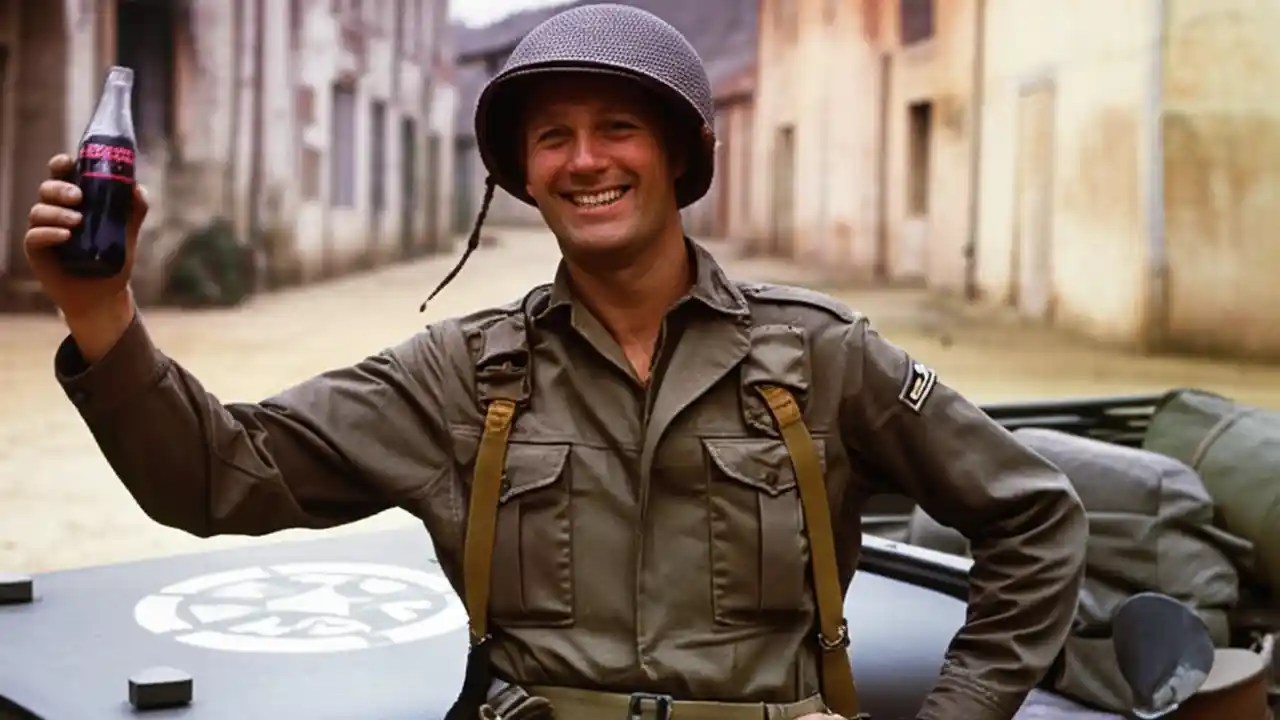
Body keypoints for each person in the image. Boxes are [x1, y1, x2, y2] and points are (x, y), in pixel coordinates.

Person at [22, 5, 1087, 719]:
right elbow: (216, 474)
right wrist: (102, 309)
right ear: (525, 176)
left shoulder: (817, 355)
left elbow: (1032, 516)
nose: (584, 160)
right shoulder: (460, 375)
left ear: (675, 154)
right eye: (552, 138)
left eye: (616, 127)